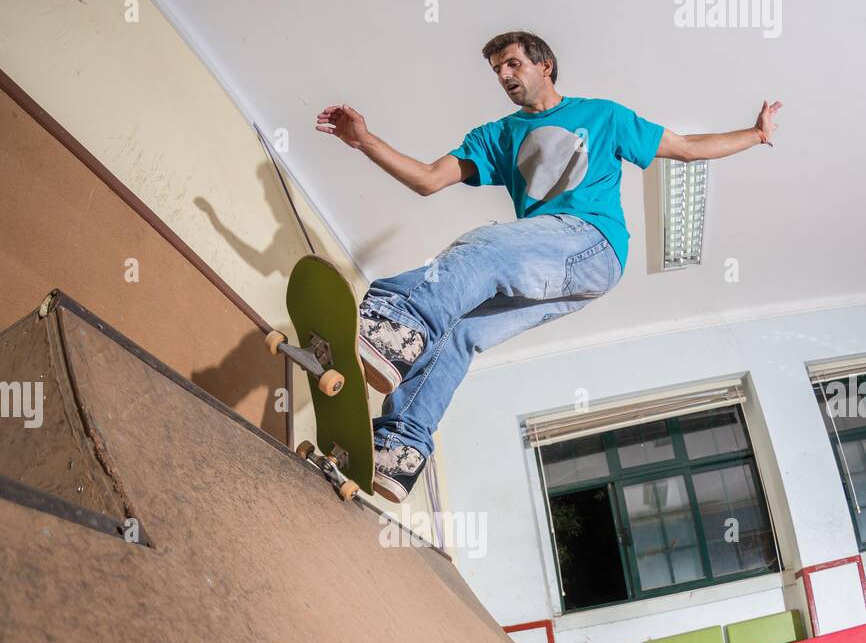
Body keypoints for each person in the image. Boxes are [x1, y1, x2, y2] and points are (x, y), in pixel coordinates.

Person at [316, 30, 781, 501]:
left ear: (545, 66)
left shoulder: (603, 115)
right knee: (460, 331)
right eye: (497, 70)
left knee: (487, 246)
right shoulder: (496, 135)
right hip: (552, 272)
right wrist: (364, 141)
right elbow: (428, 180)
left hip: (592, 244)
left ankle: (397, 324)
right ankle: (400, 446)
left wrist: (756, 134)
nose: (504, 76)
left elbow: (685, 147)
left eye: (514, 64)